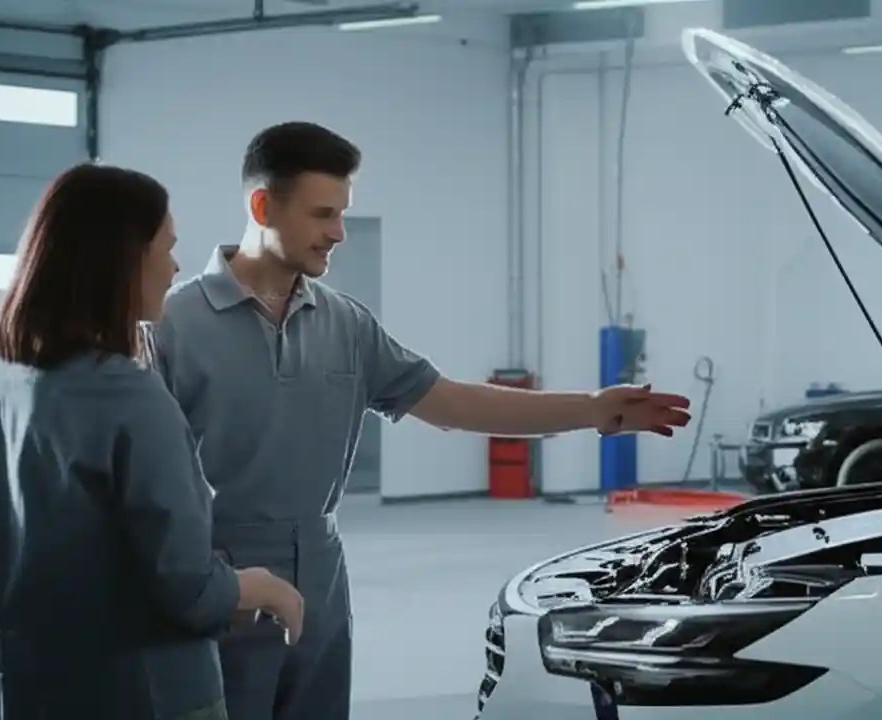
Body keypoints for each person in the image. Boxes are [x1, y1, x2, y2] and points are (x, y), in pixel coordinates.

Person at [149, 120, 691, 720]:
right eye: (323, 214)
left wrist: (590, 409)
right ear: (262, 207)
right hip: (221, 574)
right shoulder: (172, 326)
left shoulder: (347, 324)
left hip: (323, 573)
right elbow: (140, 492)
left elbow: (453, 402)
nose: (338, 233)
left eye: (342, 214)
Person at [0, 162, 308, 720]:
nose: (175, 267)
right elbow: (186, 588)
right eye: (167, 248)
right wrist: (261, 588)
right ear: (121, 260)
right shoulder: (131, 398)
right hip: (147, 698)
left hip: (24, 692)